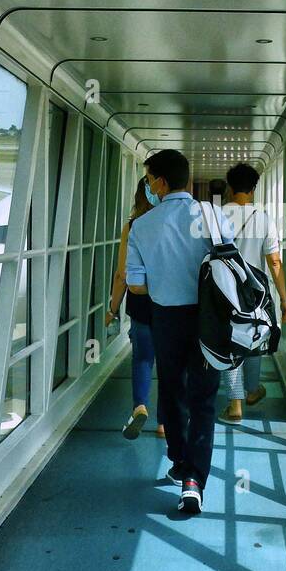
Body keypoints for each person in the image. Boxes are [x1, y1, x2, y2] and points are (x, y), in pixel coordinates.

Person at [126, 149, 234, 515]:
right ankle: (194, 482)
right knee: (204, 399)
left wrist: (164, 278)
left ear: (159, 180)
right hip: (210, 321)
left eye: (148, 179)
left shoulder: (142, 226)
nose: (148, 186)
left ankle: (178, 459)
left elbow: (136, 286)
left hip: (167, 319)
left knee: (172, 390)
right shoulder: (215, 216)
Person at [219, 162, 286, 424]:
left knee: (230, 344)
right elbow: (274, 262)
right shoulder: (263, 219)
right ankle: (251, 391)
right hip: (254, 292)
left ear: (229, 187)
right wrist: (284, 300)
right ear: (253, 189)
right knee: (251, 339)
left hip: (222, 291)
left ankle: (234, 404)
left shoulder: (217, 216)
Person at [106, 179, 164, 440]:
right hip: (171, 304)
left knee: (142, 358)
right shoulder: (175, 223)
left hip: (140, 304)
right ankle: (165, 423)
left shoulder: (131, 227)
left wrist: (112, 308)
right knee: (169, 366)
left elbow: (122, 274)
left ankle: (139, 406)